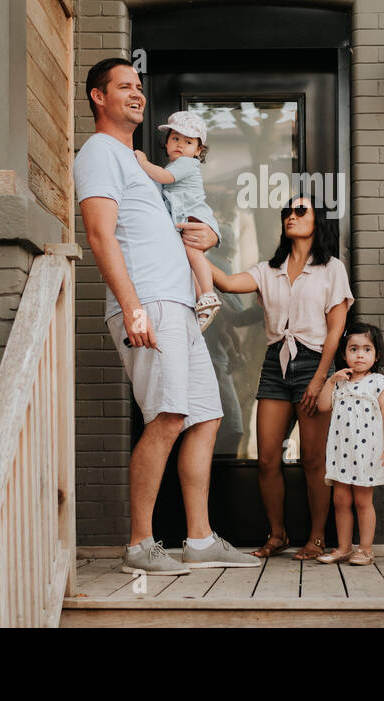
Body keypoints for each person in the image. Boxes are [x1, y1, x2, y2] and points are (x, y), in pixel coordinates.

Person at [72, 57, 258, 576]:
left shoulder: (137, 163)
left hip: (176, 304)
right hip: (149, 302)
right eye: (123, 86)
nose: (136, 93)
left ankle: (198, 540)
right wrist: (131, 306)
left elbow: (182, 222)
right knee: (169, 417)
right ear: (97, 97)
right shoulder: (99, 153)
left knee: (206, 415)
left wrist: (211, 236)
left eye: (139, 86)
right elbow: (100, 234)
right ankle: (140, 545)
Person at [208, 193, 352, 561]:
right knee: (268, 457)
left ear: (317, 220)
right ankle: (278, 534)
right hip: (276, 363)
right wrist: (193, 248)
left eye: (300, 210)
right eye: (287, 211)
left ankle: (317, 537)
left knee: (313, 460)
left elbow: (336, 332)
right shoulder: (267, 270)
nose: (291, 215)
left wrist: (321, 379)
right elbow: (224, 281)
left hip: (314, 363)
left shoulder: (331, 268)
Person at [315, 323, 384, 567]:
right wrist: (330, 381)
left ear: (376, 354)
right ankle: (343, 548)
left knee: (362, 501)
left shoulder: (379, 383)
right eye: (353, 349)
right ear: (344, 354)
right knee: (340, 500)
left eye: (366, 349)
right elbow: (322, 407)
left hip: (367, 455)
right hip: (342, 453)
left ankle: (366, 548)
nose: (360, 354)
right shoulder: (340, 382)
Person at [134, 110, 223, 331]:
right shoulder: (178, 164)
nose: (180, 145)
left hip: (193, 214)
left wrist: (142, 162)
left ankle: (209, 294)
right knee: (188, 258)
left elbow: (164, 178)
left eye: (188, 141)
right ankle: (201, 300)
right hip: (186, 214)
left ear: (198, 150)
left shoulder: (186, 163)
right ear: (166, 142)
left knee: (193, 253)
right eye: (175, 138)